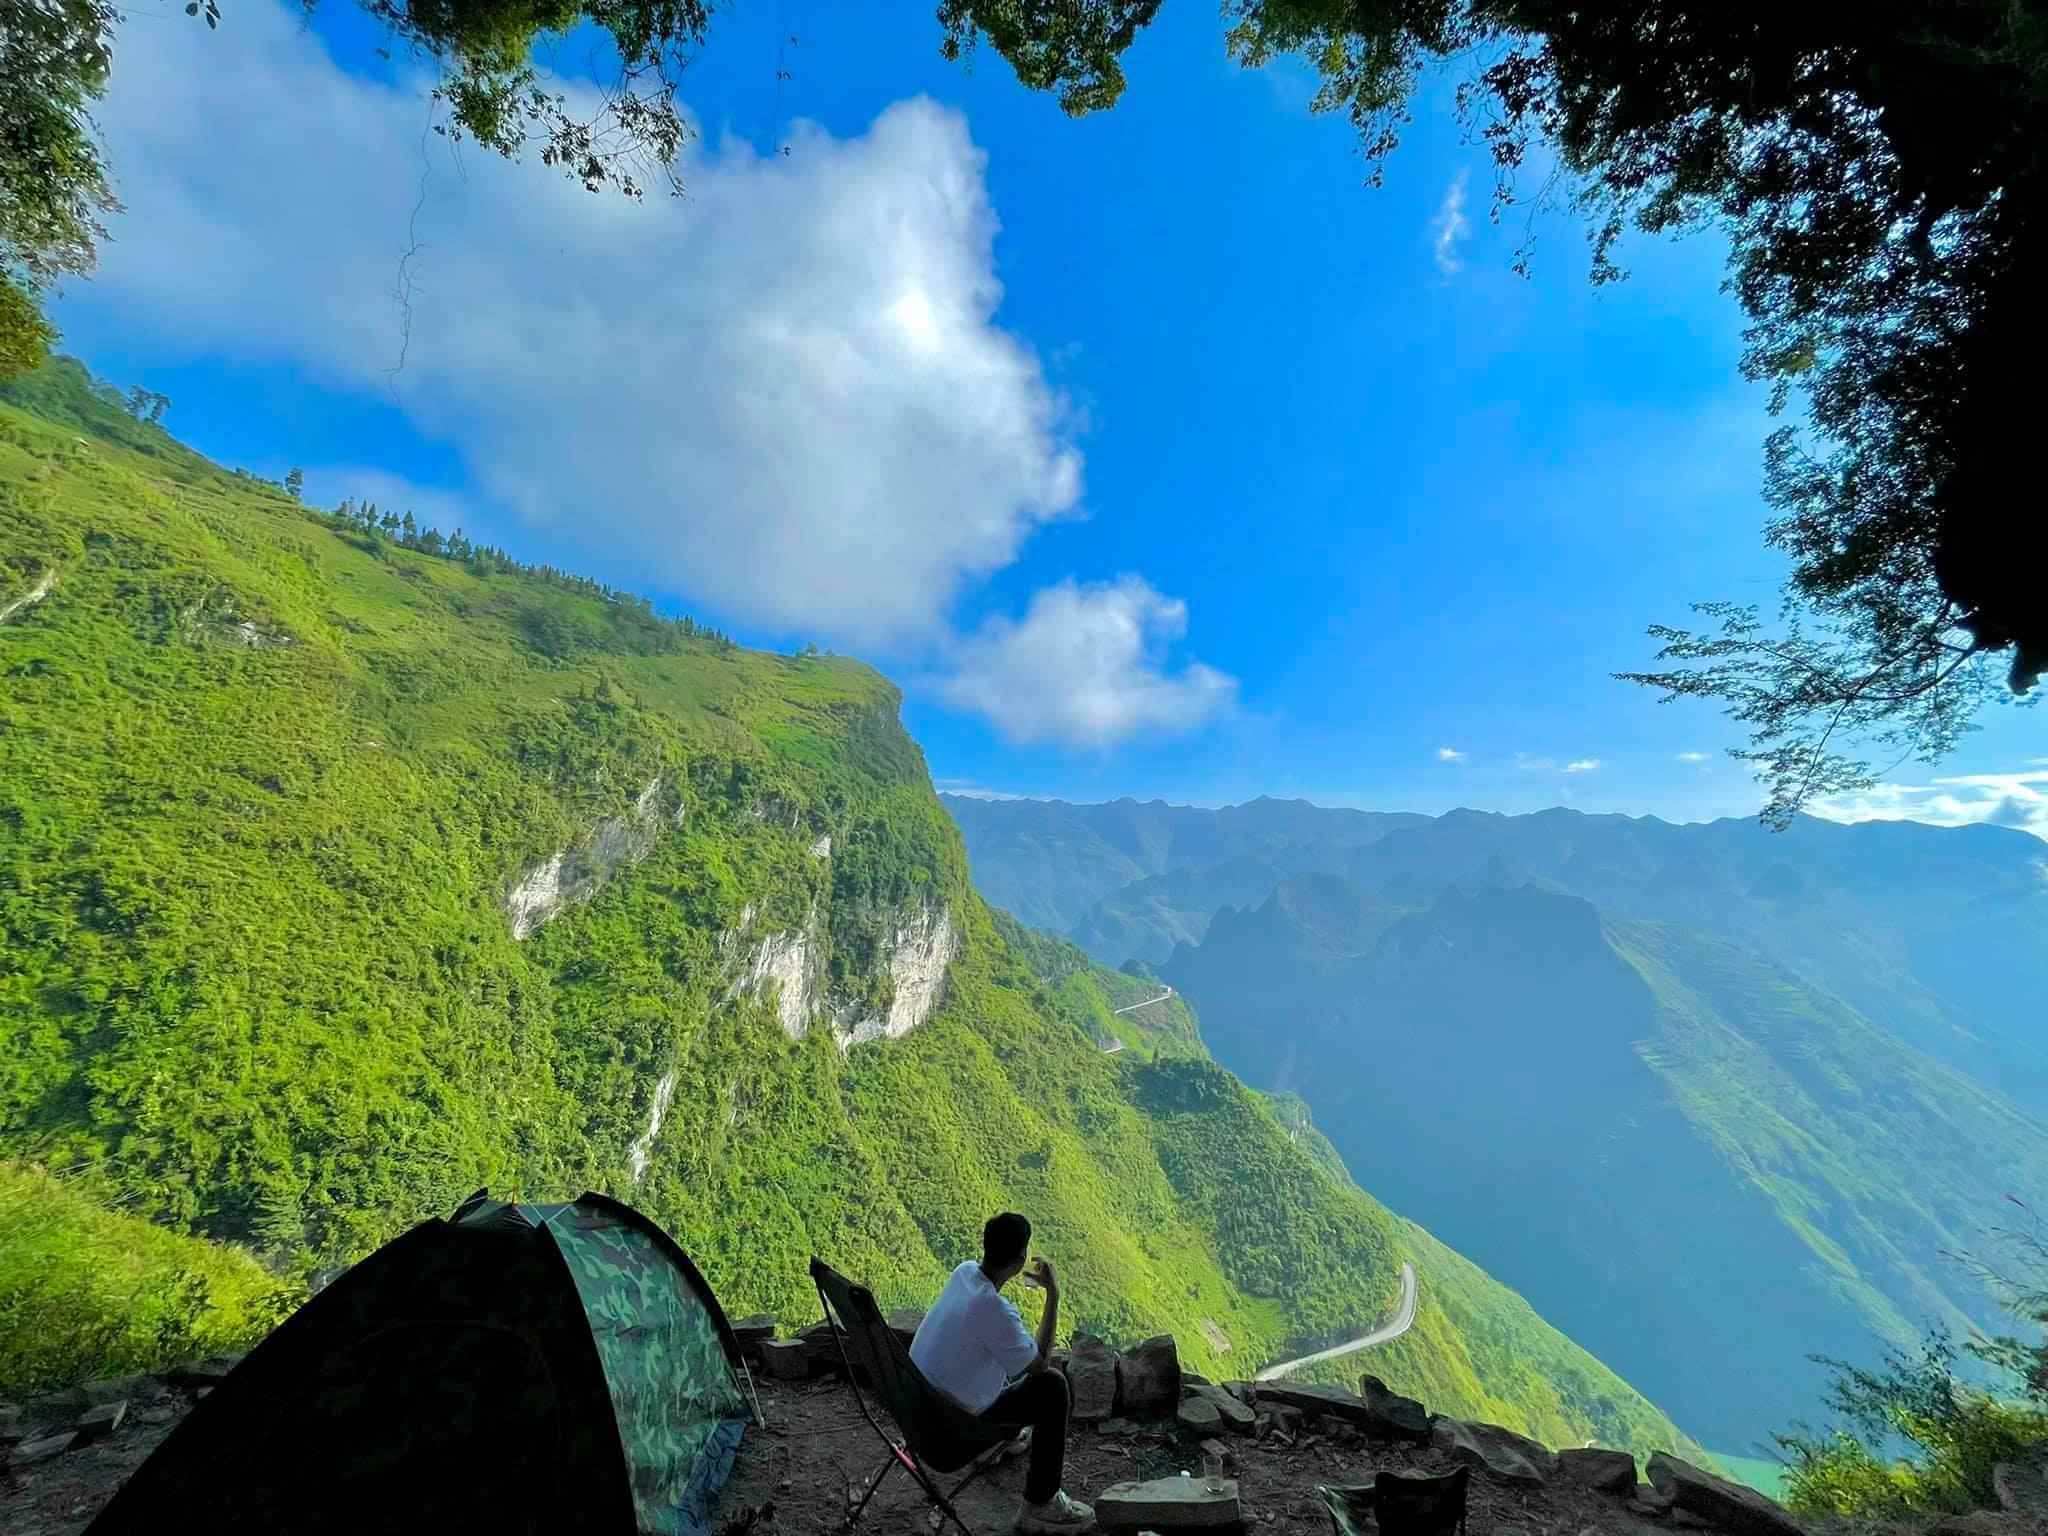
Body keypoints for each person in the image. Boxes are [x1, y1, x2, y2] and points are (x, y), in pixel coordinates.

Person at [909, 1212, 1095, 1533]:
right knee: (1052, 1386)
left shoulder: (963, 1272)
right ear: (1021, 1258)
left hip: (913, 1409)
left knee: (1005, 1362)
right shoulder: (995, 1311)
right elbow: (1040, 1364)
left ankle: (1005, 1442)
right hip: (951, 1437)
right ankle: (1041, 1503)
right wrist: (1053, 1294)